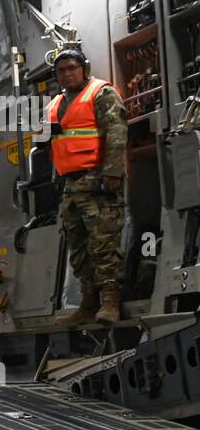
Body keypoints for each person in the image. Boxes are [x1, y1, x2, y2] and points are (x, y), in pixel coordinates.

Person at [43, 48, 129, 325]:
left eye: (71, 68)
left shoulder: (101, 93)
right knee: (78, 247)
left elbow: (117, 131)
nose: (67, 74)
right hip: (70, 184)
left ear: (84, 68)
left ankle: (110, 302)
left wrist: (113, 172)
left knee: (104, 243)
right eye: (61, 71)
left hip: (98, 181)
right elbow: (55, 142)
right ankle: (88, 303)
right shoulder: (55, 104)